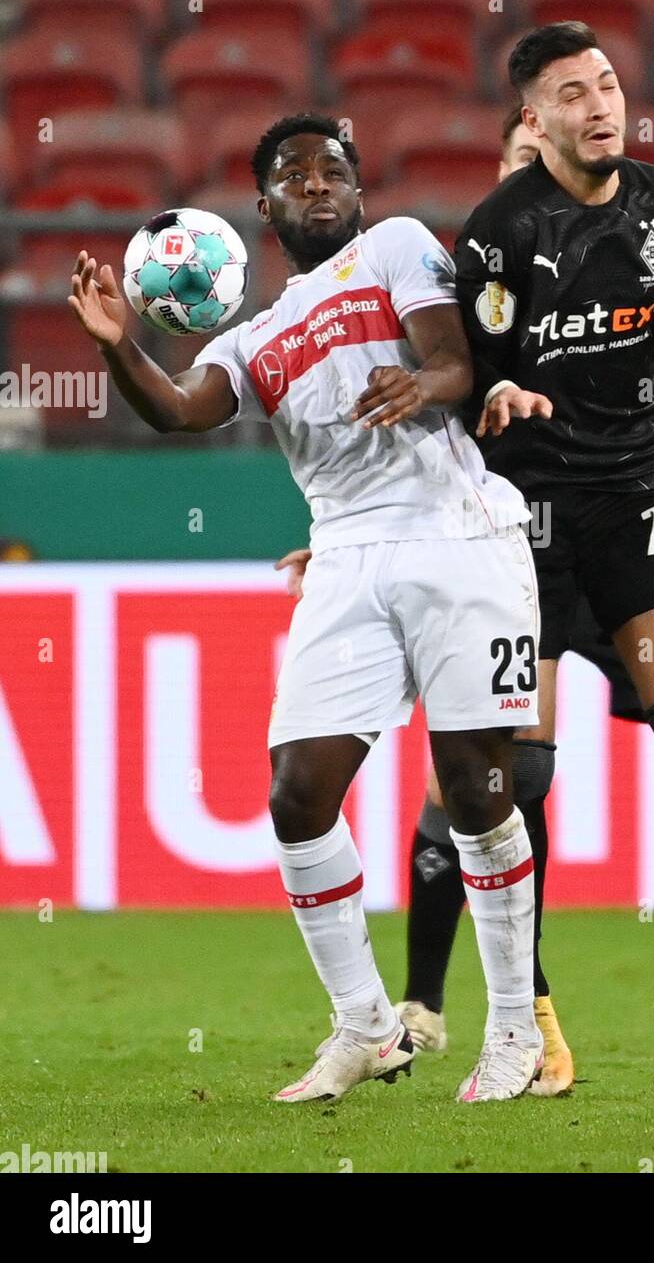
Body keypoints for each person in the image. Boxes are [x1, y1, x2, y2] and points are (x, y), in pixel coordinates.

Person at [279, 97, 654, 1095]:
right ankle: (506, 1010)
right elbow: (432, 421)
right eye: (518, 167)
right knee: (512, 779)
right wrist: (343, 534)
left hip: (625, 520)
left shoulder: (633, 265)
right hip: (517, 546)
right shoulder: (473, 282)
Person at [67, 113, 554, 1105]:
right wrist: (121, 347)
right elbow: (177, 407)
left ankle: (514, 1032)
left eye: (334, 169)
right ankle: (368, 1026)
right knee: (297, 794)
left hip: (456, 533)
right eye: (295, 174)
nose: (317, 183)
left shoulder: (398, 247)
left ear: (358, 190)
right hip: (343, 553)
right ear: (264, 208)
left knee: (474, 784)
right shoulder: (254, 335)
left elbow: (457, 364)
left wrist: (419, 383)